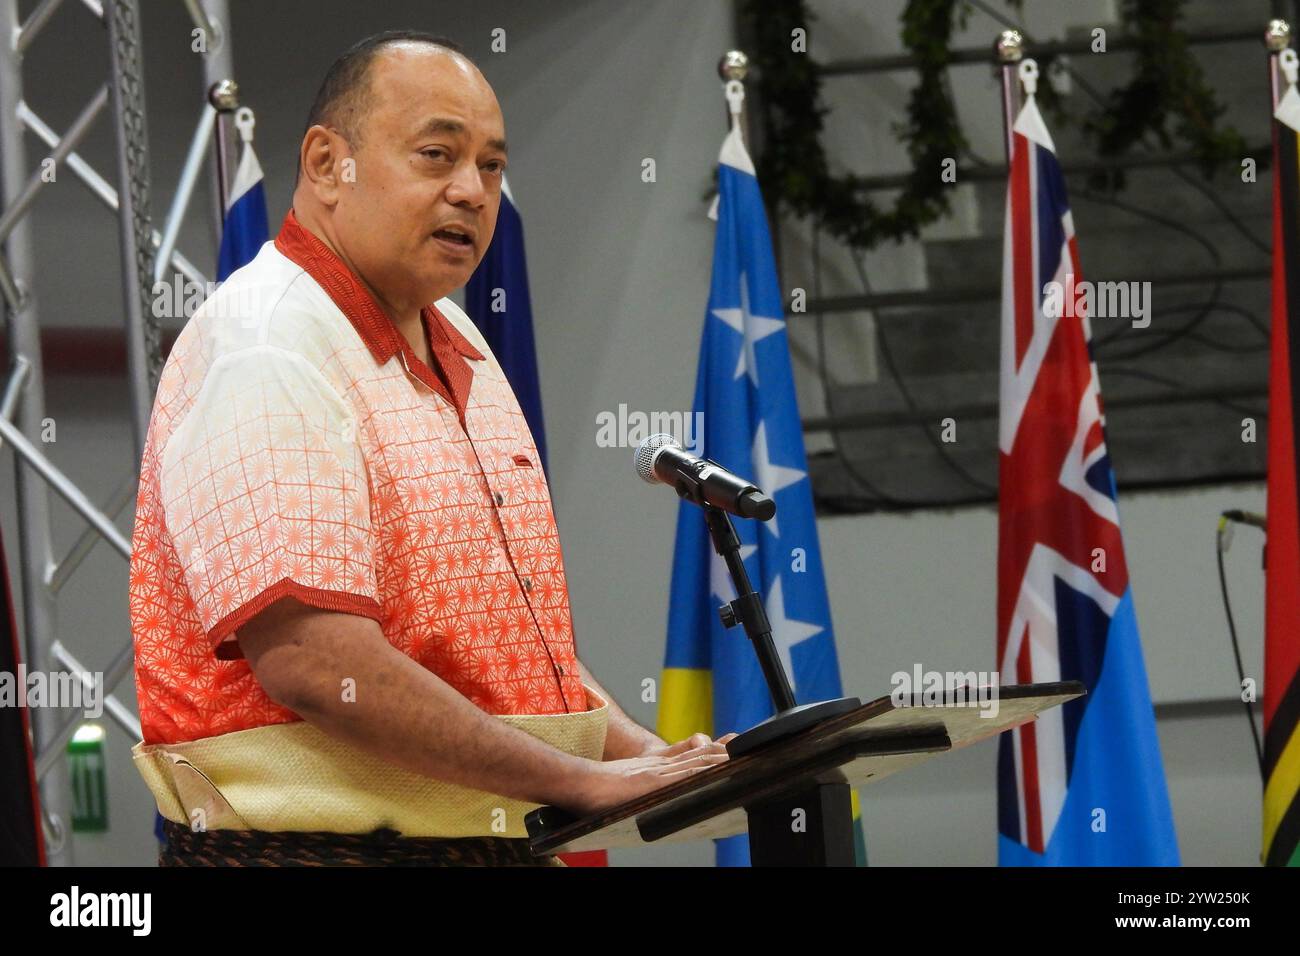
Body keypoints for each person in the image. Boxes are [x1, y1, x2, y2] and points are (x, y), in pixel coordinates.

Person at [128, 29, 731, 867]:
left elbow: (501, 647)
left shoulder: (458, 336)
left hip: (487, 840)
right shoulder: (269, 341)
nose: (472, 191)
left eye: (490, 165)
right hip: (317, 855)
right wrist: (575, 782)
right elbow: (314, 663)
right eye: (436, 154)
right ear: (326, 162)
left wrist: (635, 754)